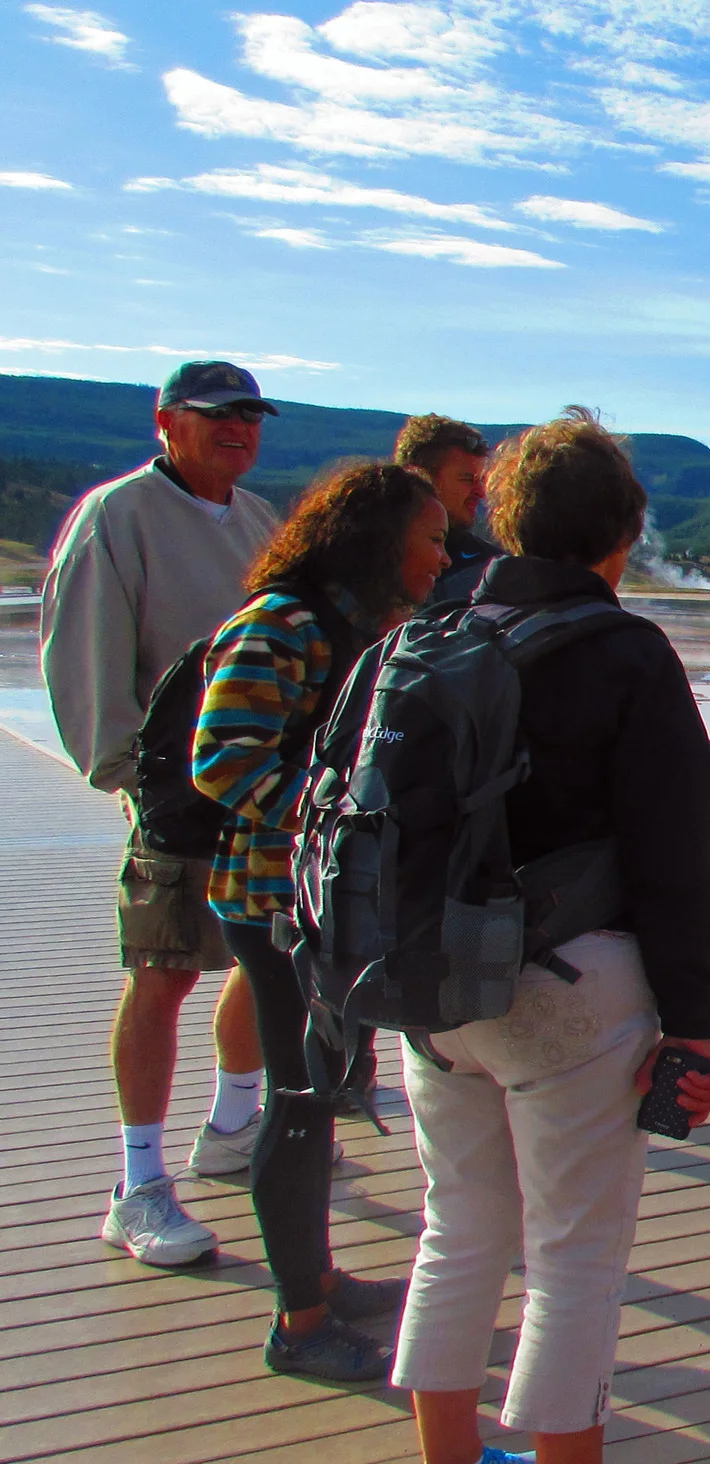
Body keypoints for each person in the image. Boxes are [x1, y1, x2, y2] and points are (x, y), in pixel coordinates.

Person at [389, 409, 710, 1464]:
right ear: (624, 531)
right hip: (569, 991)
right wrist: (694, 1021)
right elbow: (677, 858)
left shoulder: (430, 630)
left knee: (458, 1225)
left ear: (503, 516)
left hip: (429, 983)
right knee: (575, 1253)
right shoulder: (625, 653)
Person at [192, 462, 448, 1381]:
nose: (443, 556)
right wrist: (342, 814)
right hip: (275, 905)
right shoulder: (282, 624)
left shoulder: (357, 628)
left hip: (323, 904)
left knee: (320, 1091)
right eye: (431, 538)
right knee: (298, 1102)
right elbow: (221, 760)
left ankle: (319, 1279)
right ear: (379, 540)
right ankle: (298, 1323)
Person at [40, 360, 280, 1268]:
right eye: (218, 415)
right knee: (163, 972)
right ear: (167, 421)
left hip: (258, 786)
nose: (239, 429)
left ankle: (231, 1127)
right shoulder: (117, 515)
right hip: (173, 789)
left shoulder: (258, 519)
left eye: (250, 415)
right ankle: (136, 1186)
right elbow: (84, 647)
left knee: (263, 955)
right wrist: (127, 775)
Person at [394, 414, 500, 602]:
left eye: (482, 481)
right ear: (422, 479)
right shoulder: (371, 561)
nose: (480, 492)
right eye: (467, 479)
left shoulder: (491, 567)